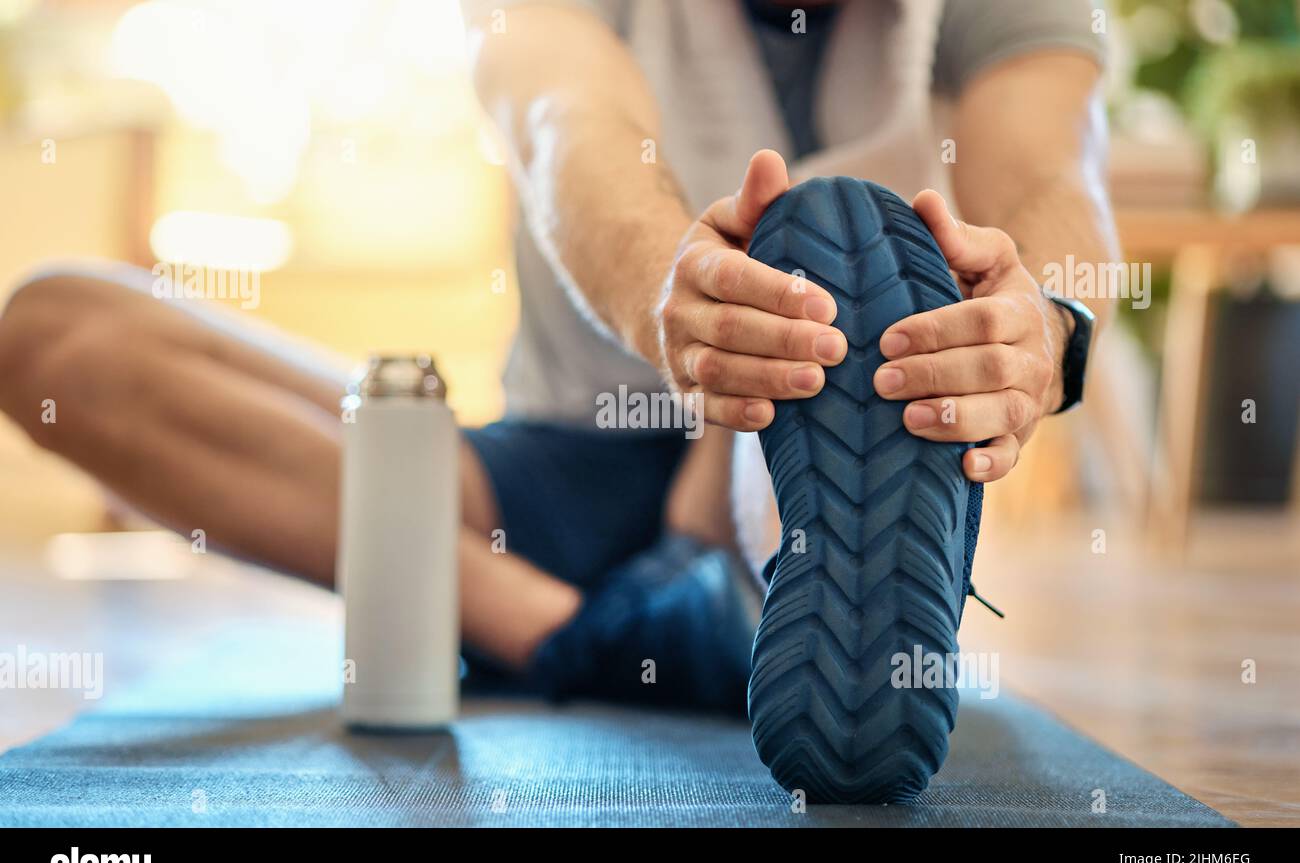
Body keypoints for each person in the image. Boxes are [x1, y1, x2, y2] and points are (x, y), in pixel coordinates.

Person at [0, 0, 1116, 714]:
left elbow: (1051, 177)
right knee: (53, 332)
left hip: (796, 454)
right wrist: (678, 302)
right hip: (543, 472)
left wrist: (1043, 328)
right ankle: (578, 629)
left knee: (829, 281)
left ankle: (743, 546)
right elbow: (563, 125)